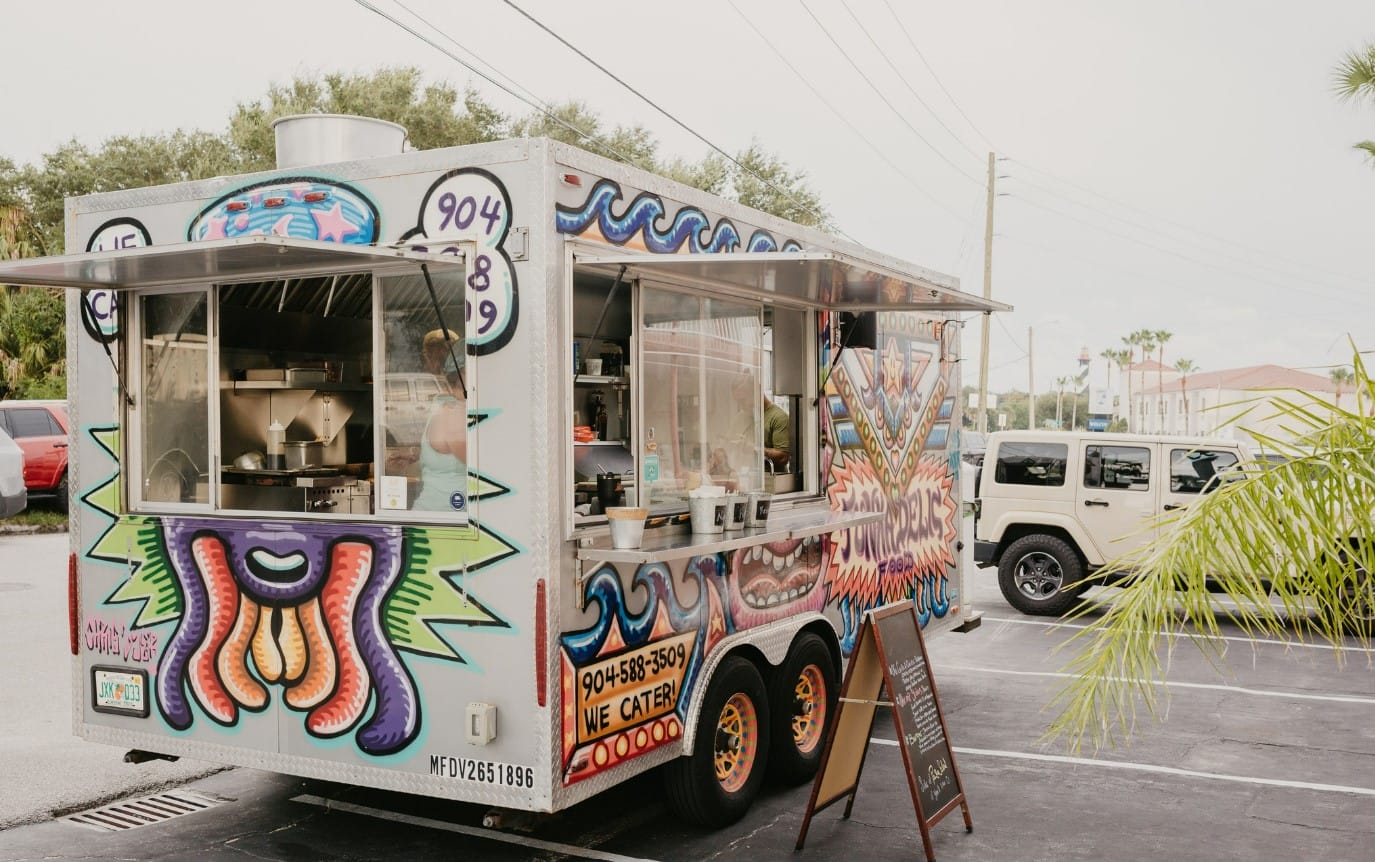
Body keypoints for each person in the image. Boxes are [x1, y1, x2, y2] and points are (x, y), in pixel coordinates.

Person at [413, 328, 467, 511]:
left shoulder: (443, 403)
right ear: (464, 373)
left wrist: (413, 455)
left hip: (436, 513)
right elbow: (485, 467)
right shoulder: (454, 412)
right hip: (446, 517)